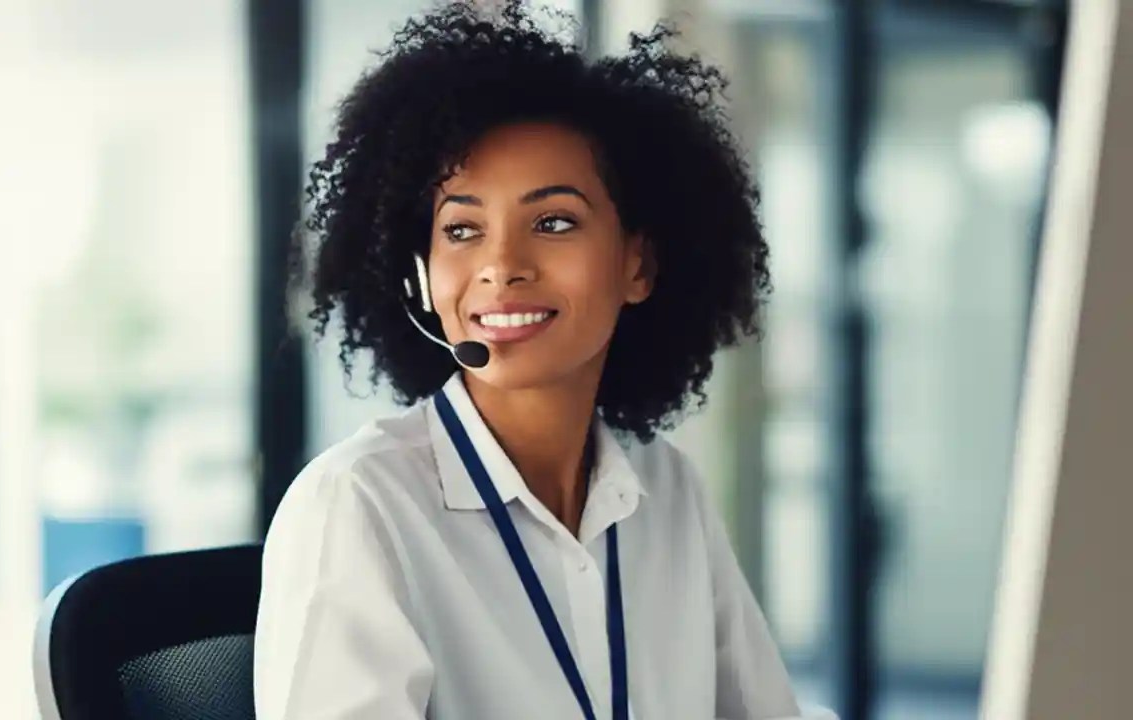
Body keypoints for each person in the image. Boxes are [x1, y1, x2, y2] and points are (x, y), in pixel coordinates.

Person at [255, 2, 834, 718]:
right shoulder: (362, 505)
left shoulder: (667, 493)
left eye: (553, 222)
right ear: (418, 278)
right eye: (462, 229)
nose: (500, 266)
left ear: (638, 263)